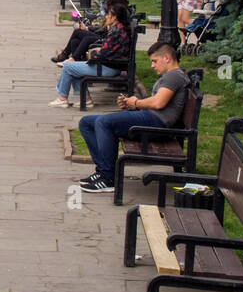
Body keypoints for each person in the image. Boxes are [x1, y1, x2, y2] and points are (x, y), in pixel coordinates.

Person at [77, 41, 193, 193]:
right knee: (86, 122)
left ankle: (108, 177)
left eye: (155, 61)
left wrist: (136, 103)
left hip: (158, 124)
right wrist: (131, 104)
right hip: (152, 118)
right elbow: (156, 102)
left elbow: (158, 103)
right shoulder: (172, 76)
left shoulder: (174, 76)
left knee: (104, 122)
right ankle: (103, 170)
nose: (152, 66)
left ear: (167, 58)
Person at [50, 1, 135, 107]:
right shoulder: (119, 29)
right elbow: (107, 50)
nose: (106, 17)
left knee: (68, 66)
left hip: (108, 68)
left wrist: (92, 54)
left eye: (108, 14)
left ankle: (62, 99)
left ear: (115, 17)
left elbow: (103, 53)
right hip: (111, 65)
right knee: (74, 67)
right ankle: (86, 99)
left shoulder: (116, 32)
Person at [52, 0, 127, 64]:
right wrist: (88, 28)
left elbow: (108, 31)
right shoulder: (113, 10)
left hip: (104, 38)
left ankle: (69, 58)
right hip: (102, 35)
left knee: (80, 34)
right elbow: (102, 27)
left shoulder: (117, 12)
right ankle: (75, 63)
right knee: (75, 41)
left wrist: (91, 28)